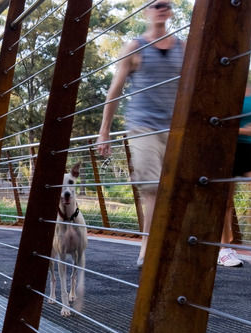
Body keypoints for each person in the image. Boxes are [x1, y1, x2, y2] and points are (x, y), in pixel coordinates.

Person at [97, 1, 184, 268]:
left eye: (166, 5)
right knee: (152, 187)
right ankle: (148, 247)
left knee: (178, 188)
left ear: (170, 11)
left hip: (176, 128)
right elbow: (115, 90)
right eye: (156, 5)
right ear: (147, 11)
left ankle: (172, 245)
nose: (161, 8)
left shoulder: (182, 47)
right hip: (143, 126)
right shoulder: (135, 47)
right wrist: (104, 131)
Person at [218, 78, 251, 267]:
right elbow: (220, 122)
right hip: (227, 148)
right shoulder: (225, 86)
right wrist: (242, 130)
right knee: (225, 203)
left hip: (249, 148)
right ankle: (224, 250)